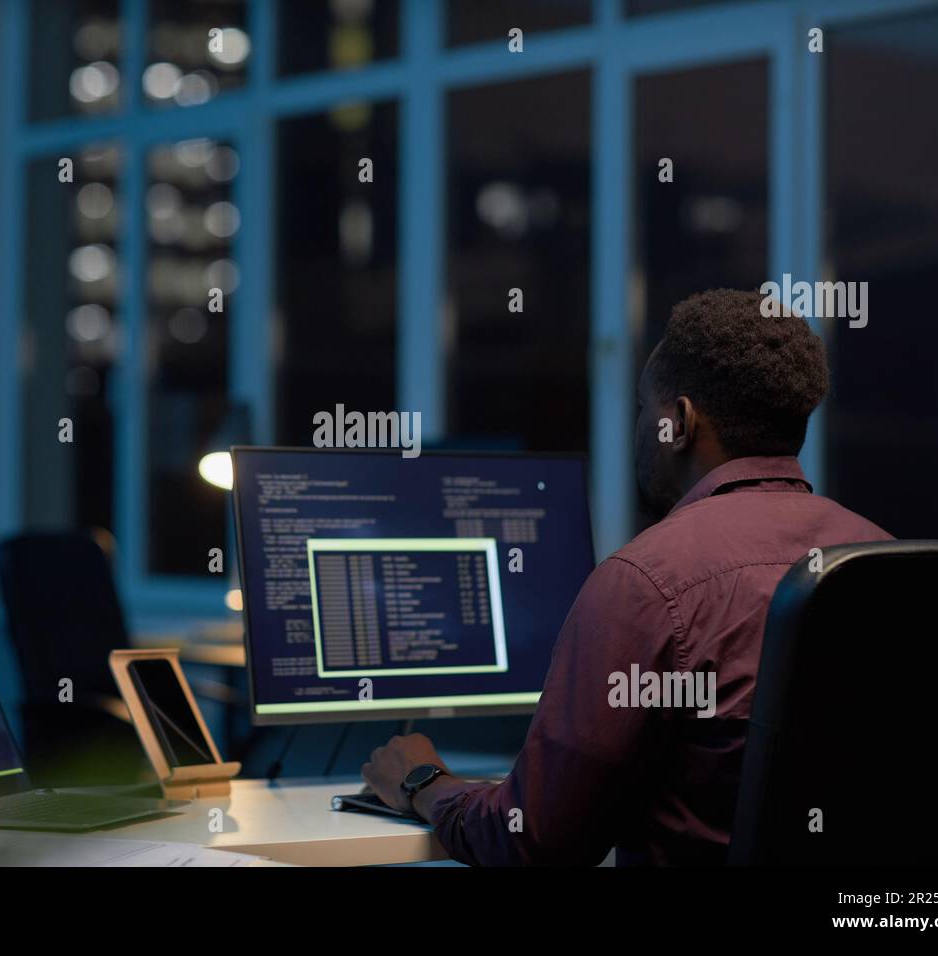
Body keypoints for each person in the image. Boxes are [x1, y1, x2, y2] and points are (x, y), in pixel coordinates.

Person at [360, 288, 893, 866]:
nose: (637, 428)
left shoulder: (649, 581)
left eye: (643, 408)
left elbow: (532, 842)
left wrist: (423, 782)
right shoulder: (884, 559)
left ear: (681, 421)